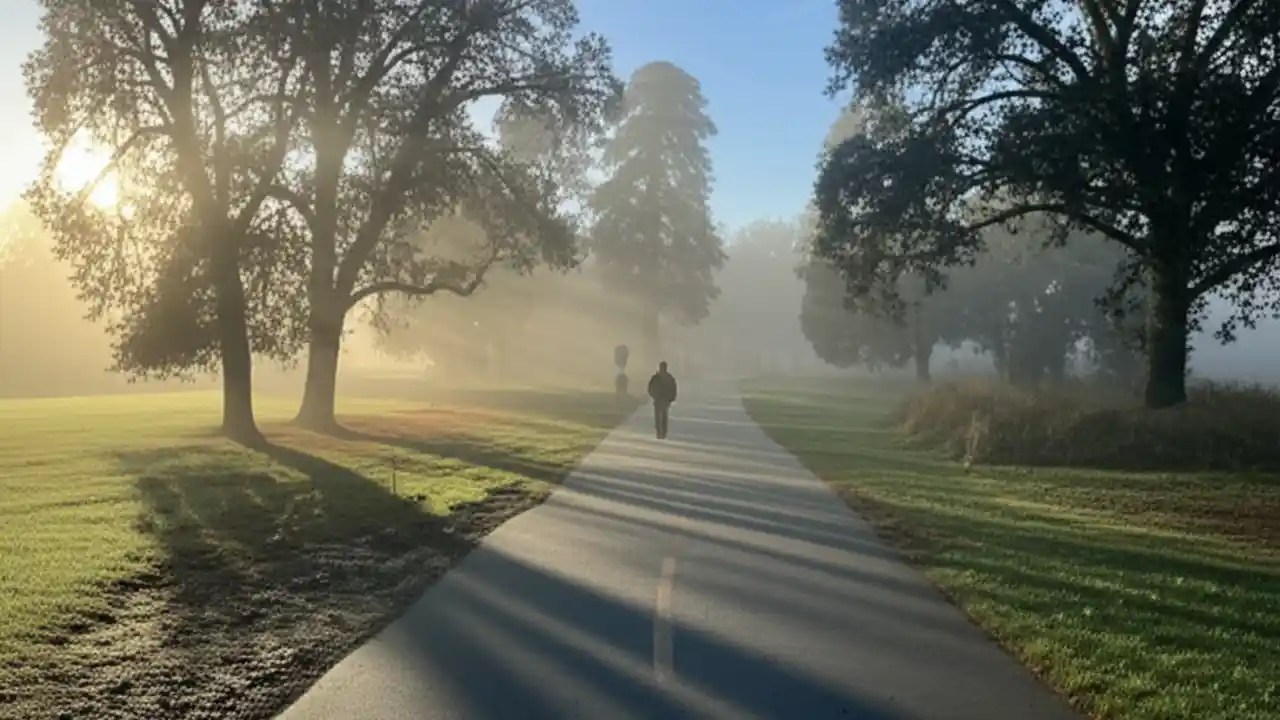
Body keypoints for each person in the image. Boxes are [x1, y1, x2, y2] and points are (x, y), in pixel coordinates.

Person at [647, 361, 678, 439]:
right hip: (661, 400)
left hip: (662, 400)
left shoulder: (657, 377)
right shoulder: (666, 377)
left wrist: (671, 398)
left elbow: (673, 388)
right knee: (661, 416)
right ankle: (661, 431)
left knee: (661, 416)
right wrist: (671, 398)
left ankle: (661, 431)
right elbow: (650, 388)